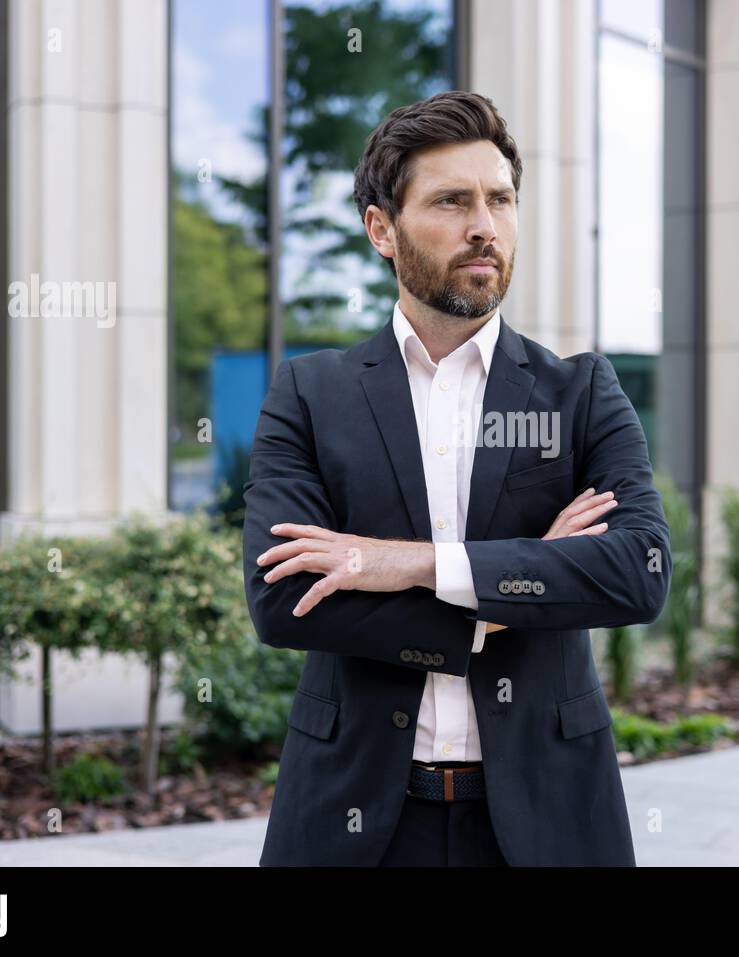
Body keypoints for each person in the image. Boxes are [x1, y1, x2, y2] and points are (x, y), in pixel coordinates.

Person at [243, 90, 671, 866]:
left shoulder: (580, 391)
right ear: (382, 229)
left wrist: (401, 563)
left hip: (546, 818)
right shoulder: (310, 393)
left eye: (500, 200)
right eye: (451, 201)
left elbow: (638, 572)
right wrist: (508, 596)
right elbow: (282, 600)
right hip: (357, 819)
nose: (484, 225)